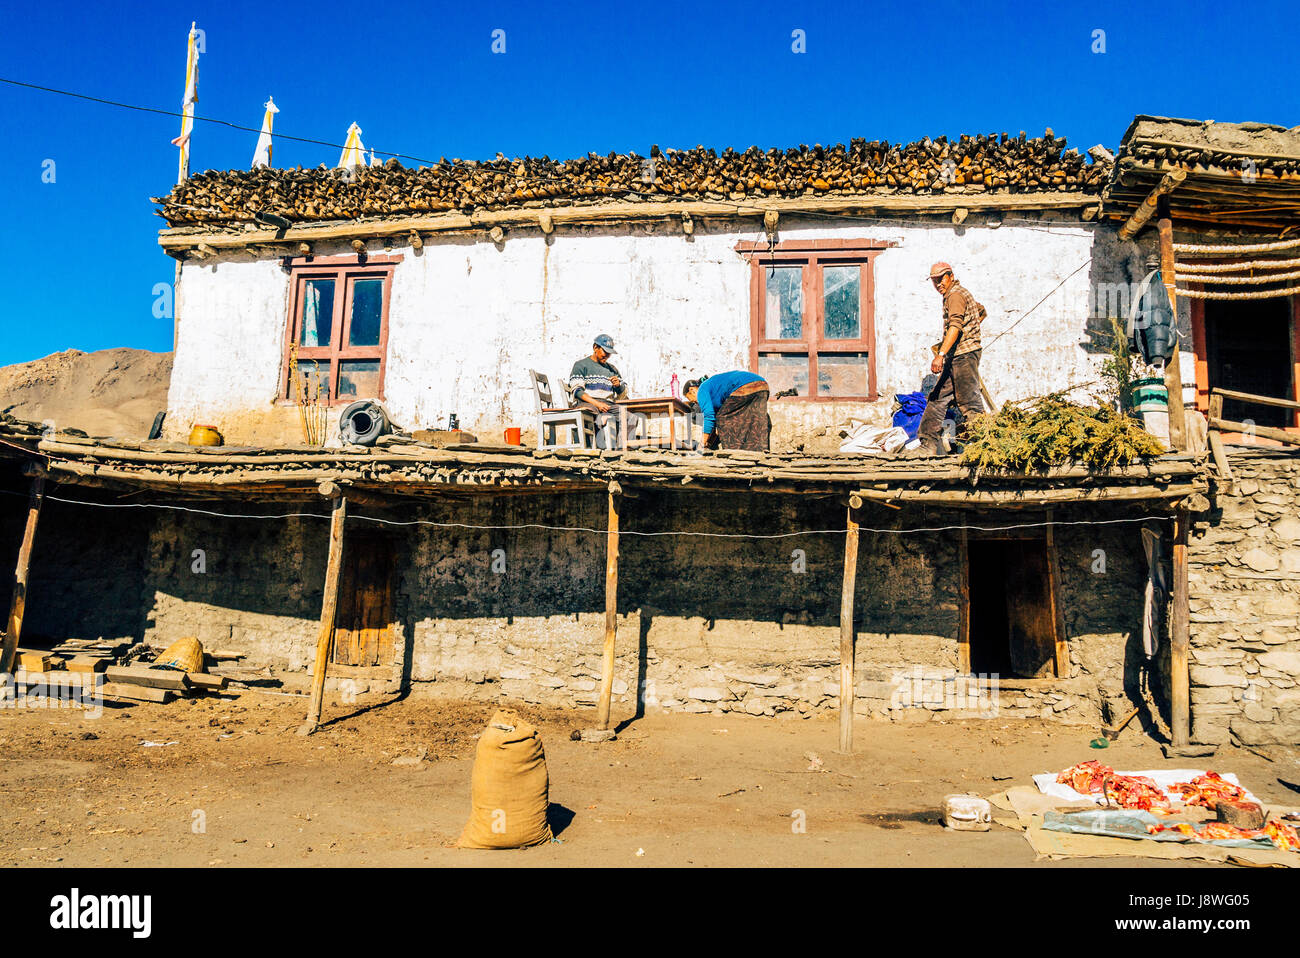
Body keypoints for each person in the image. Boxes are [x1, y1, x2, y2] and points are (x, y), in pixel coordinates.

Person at [912, 262, 986, 455]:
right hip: (959, 355)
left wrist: (941, 354)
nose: (938, 285)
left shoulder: (955, 295)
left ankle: (984, 447)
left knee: (969, 403)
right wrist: (970, 329)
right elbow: (980, 311)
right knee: (937, 398)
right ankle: (927, 446)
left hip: (963, 356)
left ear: (950, 276)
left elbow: (955, 325)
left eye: (941, 279)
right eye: (934, 281)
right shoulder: (957, 294)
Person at [683, 371, 770, 451]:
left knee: (723, 419)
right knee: (751, 420)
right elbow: (714, 425)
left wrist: (701, 445)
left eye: (692, 400)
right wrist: (708, 445)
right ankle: (757, 451)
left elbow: (709, 417)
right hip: (762, 386)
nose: (695, 402)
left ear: (692, 390)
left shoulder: (702, 389)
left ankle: (734, 452)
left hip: (745, 386)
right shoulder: (714, 393)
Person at [570, 333, 629, 448]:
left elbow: (623, 394)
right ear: (595, 348)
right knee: (591, 412)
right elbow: (577, 391)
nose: (606, 356)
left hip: (608, 404)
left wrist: (618, 386)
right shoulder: (581, 365)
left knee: (628, 416)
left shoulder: (612, 369)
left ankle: (620, 450)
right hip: (588, 402)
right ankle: (590, 447)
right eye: (604, 352)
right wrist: (597, 403)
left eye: (609, 353)